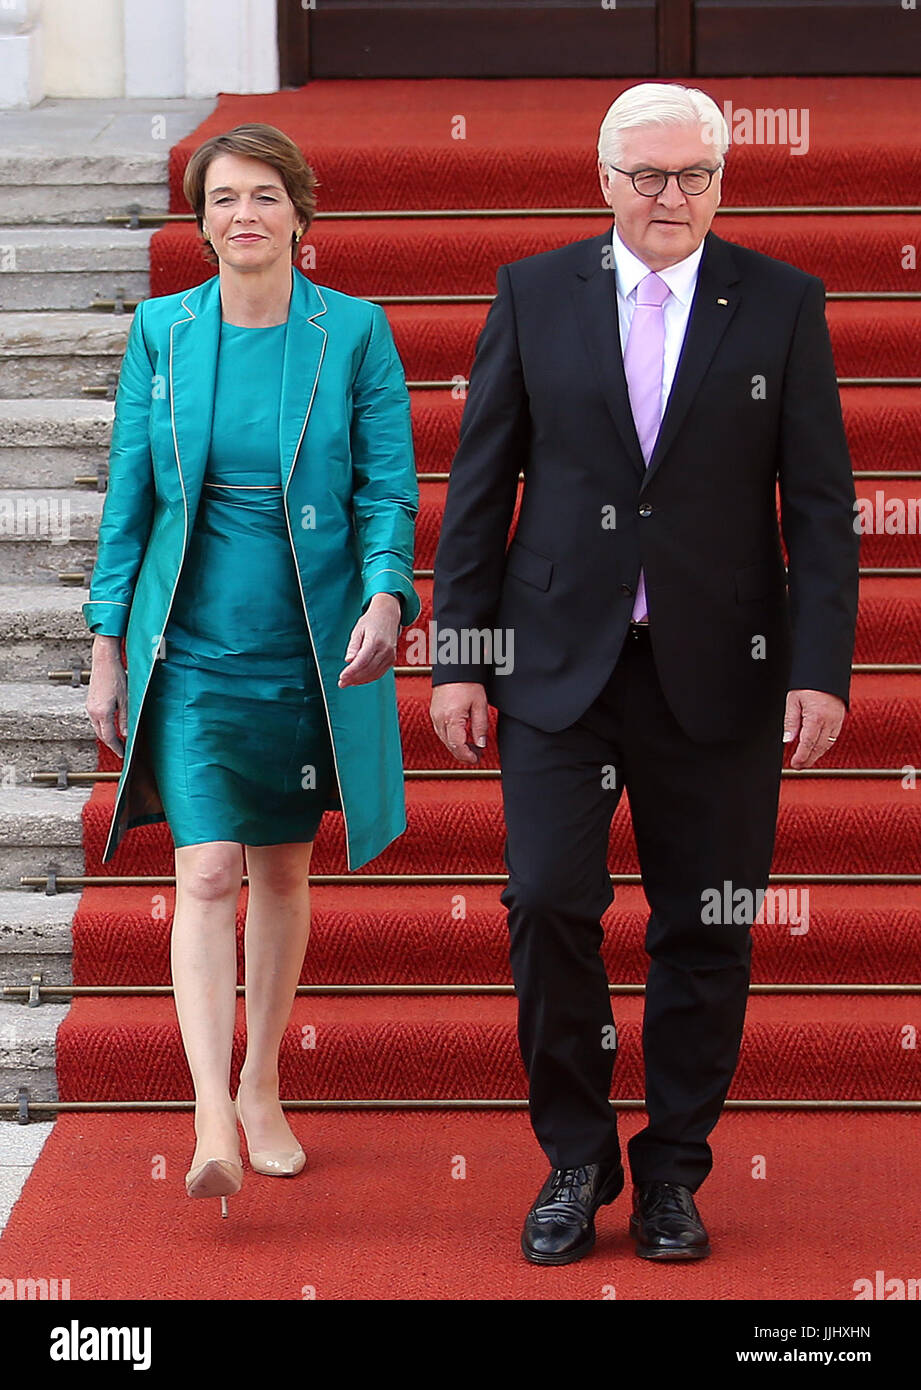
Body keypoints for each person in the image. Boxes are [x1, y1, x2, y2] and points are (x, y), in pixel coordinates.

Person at [430, 82, 859, 1265]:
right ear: (605, 177)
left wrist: (819, 667)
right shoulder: (532, 291)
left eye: (695, 177)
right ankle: (576, 1157)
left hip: (722, 669)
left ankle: (673, 1173)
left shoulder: (780, 303)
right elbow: (480, 487)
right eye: (649, 176)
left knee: (708, 926)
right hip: (557, 664)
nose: (672, 199)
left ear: (722, 180)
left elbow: (821, 507)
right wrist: (460, 657)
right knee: (548, 900)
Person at [84, 123, 420, 1218]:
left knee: (280, 872)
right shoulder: (161, 333)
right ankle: (209, 1111)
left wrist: (386, 590)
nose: (243, 216)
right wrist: (103, 642)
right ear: (201, 220)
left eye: (264, 196)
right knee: (207, 872)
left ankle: (263, 1082)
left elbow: (387, 489)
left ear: (300, 215)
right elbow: (131, 493)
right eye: (223, 198)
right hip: (187, 647)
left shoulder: (356, 334)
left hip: (307, 648)